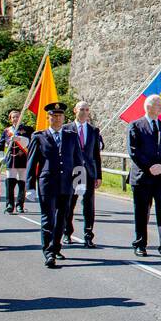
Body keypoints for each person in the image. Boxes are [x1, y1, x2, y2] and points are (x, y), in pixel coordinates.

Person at [25, 102, 82, 267]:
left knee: (62, 219)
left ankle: (56, 247)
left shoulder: (71, 136)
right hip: (47, 183)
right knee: (48, 218)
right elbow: (31, 163)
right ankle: (48, 252)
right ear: (48, 118)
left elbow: (78, 159)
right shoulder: (39, 137)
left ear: (64, 118)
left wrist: (80, 181)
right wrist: (29, 186)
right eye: (54, 116)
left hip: (67, 184)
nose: (57, 119)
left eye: (60, 116)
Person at [128, 94, 161, 261]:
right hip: (142, 177)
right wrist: (149, 167)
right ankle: (140, 244)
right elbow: (134, 151)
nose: (160, 107)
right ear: (148, 106)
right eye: (157, 104)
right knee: (142, 212)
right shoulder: (135, 126)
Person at [64, 101, 104, 247]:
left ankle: (88, 235)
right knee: (69, 203)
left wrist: (98, 175)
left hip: (89, 172)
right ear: (75, 110)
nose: (84, 112)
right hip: (72, 172)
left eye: (87, 109)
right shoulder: (66, 129)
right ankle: (67, 232)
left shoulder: (94, 130)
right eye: (81, 109)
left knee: (89, 205)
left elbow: (96, 155)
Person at [0, 109, 33, 213]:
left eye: (17, 116)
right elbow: (0, 145)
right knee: (10, 184)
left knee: (22, 184)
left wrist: (19, 139)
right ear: (10, 119)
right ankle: (9, 205)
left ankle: (20, 205)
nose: (16, 119)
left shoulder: (28, 130)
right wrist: (1, 157)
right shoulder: (7, 131)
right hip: (11, 160)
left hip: (23, 160)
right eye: (13, 117)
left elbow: (30, 142)